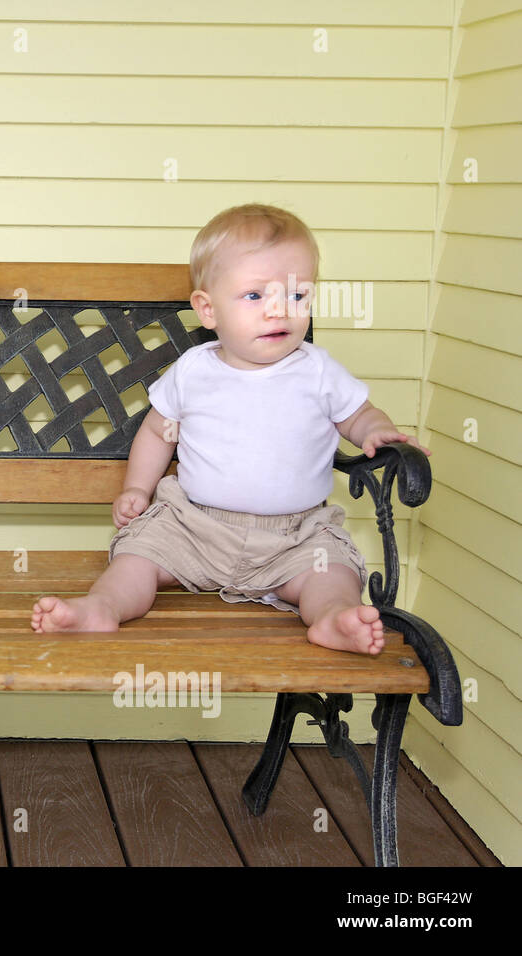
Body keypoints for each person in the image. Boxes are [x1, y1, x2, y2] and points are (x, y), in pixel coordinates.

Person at [30, 203, 431, 655]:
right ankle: (102, 607)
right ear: (208, 309)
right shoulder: (193, 371)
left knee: (333, 571)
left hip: (294, 537)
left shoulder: (318, 371)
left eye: (296, 296)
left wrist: (376, 431)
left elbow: (358, 415)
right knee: (137, 556)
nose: (279, 311)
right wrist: (138, 488)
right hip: (194, 527)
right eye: (256, 296)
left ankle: (334, 618)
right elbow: (157, 431)